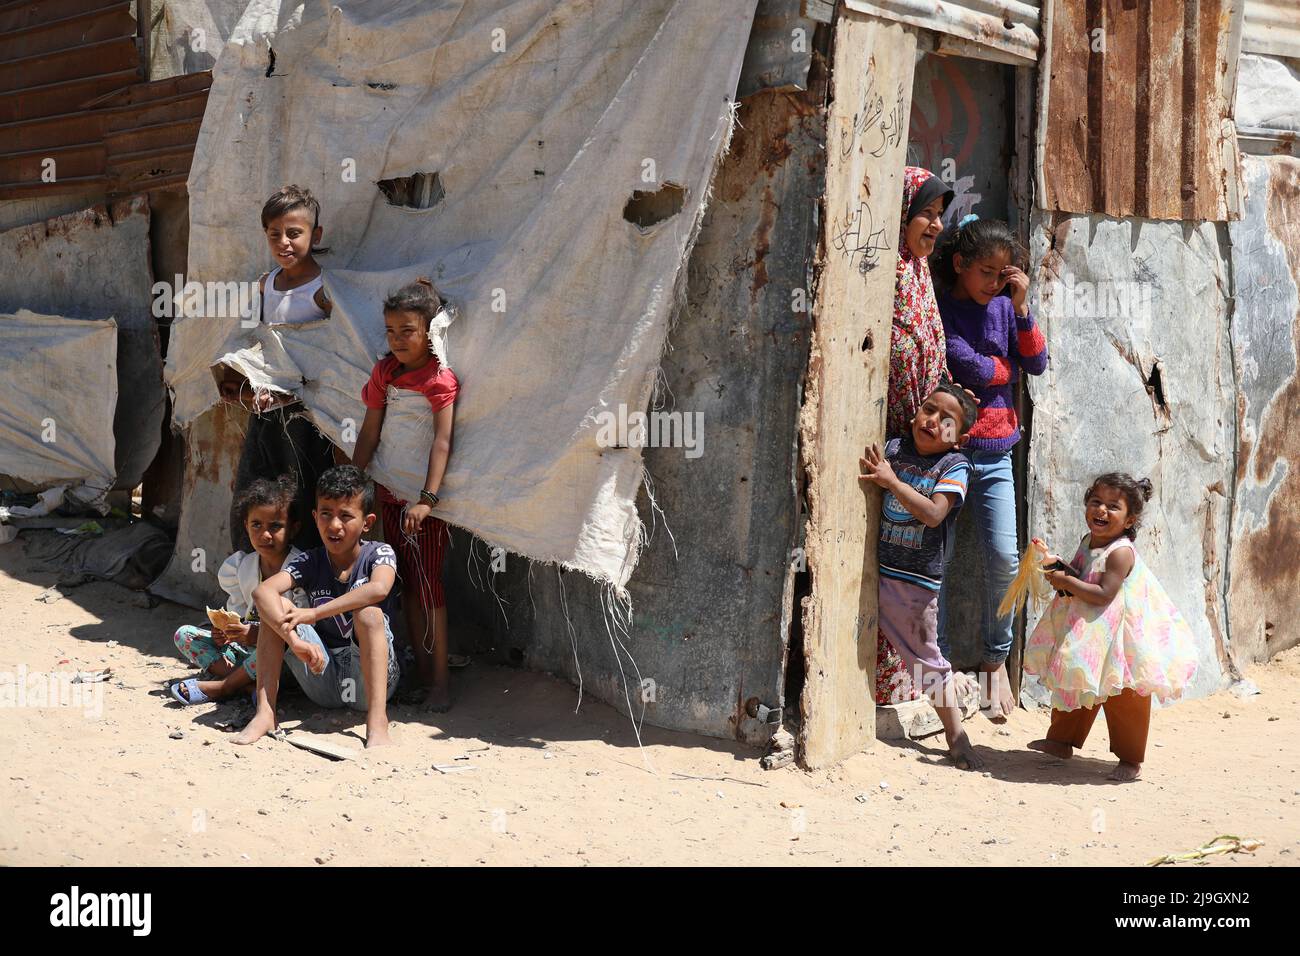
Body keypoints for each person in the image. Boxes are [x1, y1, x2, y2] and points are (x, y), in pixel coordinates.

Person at [932, 214, 1048, 718]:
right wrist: (1002, 368)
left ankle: (994, 659)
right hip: (950, 454)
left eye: (1003, 276)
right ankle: (932, 664)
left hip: (998, 452)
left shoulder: (1005, 308)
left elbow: (1037, 362)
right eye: (985, 272)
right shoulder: (942, 307)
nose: (994, 283)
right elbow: (966, 364)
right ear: (959, 265)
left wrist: (1020, 311)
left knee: (1004, 558)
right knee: (937, 556)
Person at [1024, 474, 1199, 781]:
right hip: (1093, 630)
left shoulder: (1120, 553)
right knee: (1076, 678)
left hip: (1122, 635)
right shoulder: (1088, 540)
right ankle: (1060, 741)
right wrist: (1061, 568)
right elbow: (1085, 574)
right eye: (1096, 502)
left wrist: (1068, 582)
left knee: (1124, 694)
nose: (1101, 510)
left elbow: (1104, 593)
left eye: (1112, 506)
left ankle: (1130, 759)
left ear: (1130, 519)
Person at [860, 382, 982, 769]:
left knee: (925, 661)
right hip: (873, 571)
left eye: (946, 421)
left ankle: (955, 734)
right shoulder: (894, 449)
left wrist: (892, 482)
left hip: (913, 585)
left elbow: (933, 514)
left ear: (959, 439)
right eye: (929, 410)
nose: (932, 421)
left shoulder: (955, 466)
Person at [234, 465, 401, 749]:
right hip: (322, 675)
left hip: (369, 683)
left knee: (369, 613)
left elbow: (379, 589)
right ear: (315, 517)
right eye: (326, 513)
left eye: (346, 516)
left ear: (367, 522)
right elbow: (263, 592)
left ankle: (377, 721)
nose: (334, 525)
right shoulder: (310, 561)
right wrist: (294, 641)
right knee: (279, 606)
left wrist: (314, 613)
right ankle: (265, 714)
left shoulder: (379, 553)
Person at [350, 278, 459, 712]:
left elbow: (443, 442)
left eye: (407, 331)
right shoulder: (384, 373)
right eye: (391, 331)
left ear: (429, 331)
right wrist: (353, 484)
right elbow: (370, 431)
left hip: (421, 505)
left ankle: (441, 681)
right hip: (386, 494)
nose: (397, 340)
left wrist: (427, 499)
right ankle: (416, 670)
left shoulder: (439, 379)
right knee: (400, 584)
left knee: (428, 586)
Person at [217, 184, 336, 553]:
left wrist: (302, 385)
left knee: (302, 494)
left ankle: (304, 587)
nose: (284, 242)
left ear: (315, 235)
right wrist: (250, 385)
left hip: (308, 419)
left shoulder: (324, 290)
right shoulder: (265, 285)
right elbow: (252, 343)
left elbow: (335, 353)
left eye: (294, 233)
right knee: (257, 490)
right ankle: (253, 583)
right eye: (274, 234)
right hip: (266, 412)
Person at [874, 166, 956, 702]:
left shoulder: (920, 272)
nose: (934, 225)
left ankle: (911, 681)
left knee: (916, 561)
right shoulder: (883, 270)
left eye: (939, 215)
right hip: (890, 446)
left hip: (924, 445)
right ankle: (881, 679)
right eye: (925, 212)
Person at [169, 476, 307, 704]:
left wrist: (254, 635)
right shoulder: (241, 566)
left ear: (293, 528)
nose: (265, 535)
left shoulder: (301, 568)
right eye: (257, 525)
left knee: (277, 650)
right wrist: (226, 634)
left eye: (275, 526)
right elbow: (240, 616)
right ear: (246, 525)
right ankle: (250, 685)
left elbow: (302, 629)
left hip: (285, 656)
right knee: (184, 635)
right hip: (246, 653)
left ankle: (226, 686)